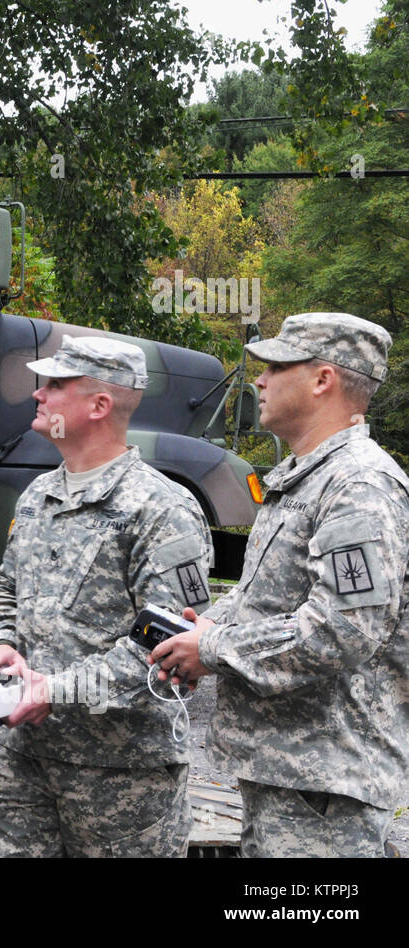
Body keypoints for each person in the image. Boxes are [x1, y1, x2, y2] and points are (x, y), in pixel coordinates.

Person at [152, 312, 409, 858]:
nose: (260, 380)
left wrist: (215, 649)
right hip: (294, 773)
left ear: (323, 380)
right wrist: (212, 626)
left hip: (326, 784)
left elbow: (345, 628)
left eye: (275, 367)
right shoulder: (305, 476)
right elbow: (270, 596)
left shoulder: (357, 484)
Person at [0, 335, 213, 857]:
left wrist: (52, 691)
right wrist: (0, 644)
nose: (38, 395)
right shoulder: (39, 495)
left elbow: (166, 647)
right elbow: (6, 589)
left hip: (122, 773)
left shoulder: (162, 508)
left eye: (56, 384)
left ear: (99, 405)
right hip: (27, 761)